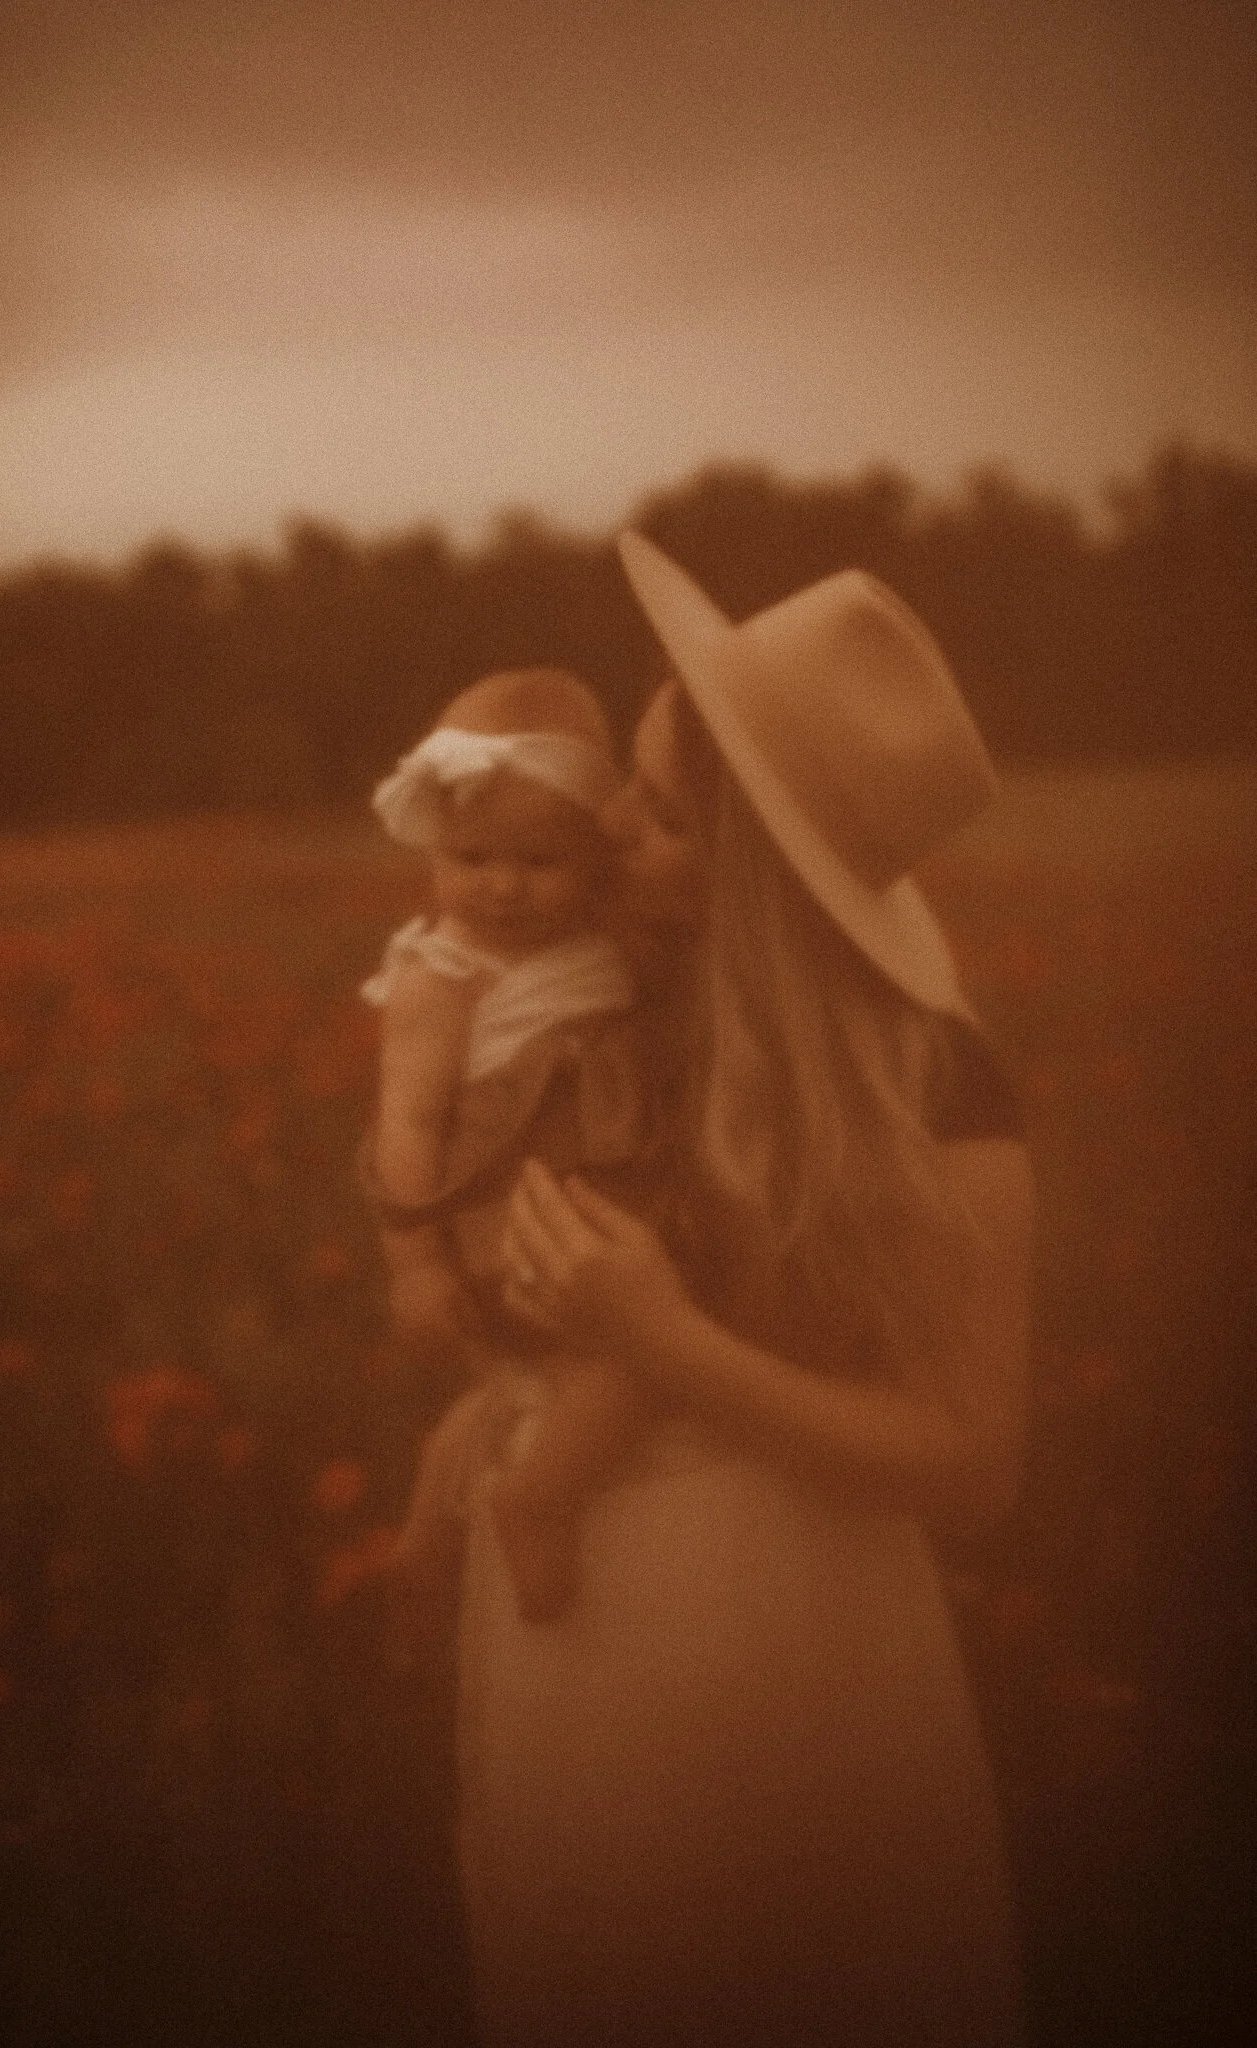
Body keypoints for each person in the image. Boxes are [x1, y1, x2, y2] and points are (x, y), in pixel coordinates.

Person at [450, 536, 1034, 2047]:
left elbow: (969, 1466)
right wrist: (486, 1415)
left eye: (656, 812)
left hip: (771, 1646)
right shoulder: (626, 1007)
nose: (613, 829)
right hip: (570, 1623)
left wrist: (663, 1342)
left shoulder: (934, 1085)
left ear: (756, 869)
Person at [354, 666, 658, 1627]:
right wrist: (412, 1266)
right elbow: (404, 1123)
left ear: (595, 859)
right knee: (636, 1360)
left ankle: (433, 1516)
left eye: (539, 863)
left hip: (602, 1204)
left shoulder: (600, 941)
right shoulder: (441, 977)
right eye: (471, 856)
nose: (501, 888)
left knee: (525, 1387)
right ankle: (536, 1502)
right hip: (509, 1227)